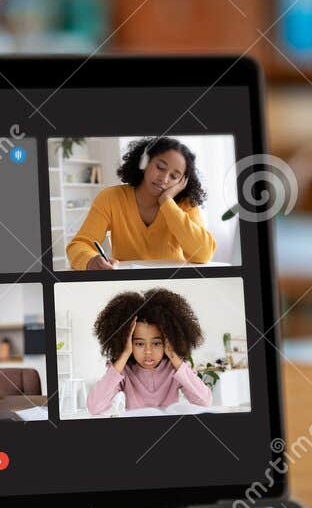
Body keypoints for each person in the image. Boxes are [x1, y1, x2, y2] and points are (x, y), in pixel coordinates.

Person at [66, 137, 217, 270]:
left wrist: (167, 202)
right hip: (127, 285)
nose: (164, 179)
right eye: (160, 167)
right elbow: (79, 245)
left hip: (173, 284)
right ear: (144, 162)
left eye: (174, 176)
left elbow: (203, 254)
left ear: (181, 182)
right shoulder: (111, 198)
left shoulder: (185, 204)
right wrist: (90, 261)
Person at [86, 288, 212, 415]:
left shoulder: (175, 369)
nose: (148, 352)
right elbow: (94, 407)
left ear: (168, 341)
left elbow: (205, 402)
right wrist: (124, 354)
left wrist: (174, 357)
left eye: (156, 343)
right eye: (139, 344)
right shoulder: (124, 371)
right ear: (127, 342)